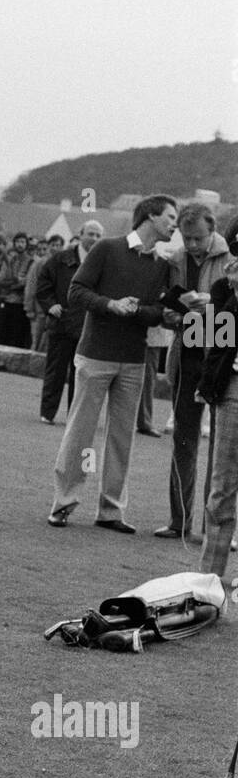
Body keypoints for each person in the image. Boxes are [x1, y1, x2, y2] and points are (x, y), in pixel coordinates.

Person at [47, 195, 176, 532]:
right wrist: (110, 305)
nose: (174, 224)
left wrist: (136, 310)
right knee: (80, 431)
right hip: (95, 355)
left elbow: (158, 313)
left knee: (122, 438)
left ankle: (111, 511)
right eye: (170, 217)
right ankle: (63, 503)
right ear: (150, 216)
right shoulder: (107, 248)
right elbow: (77, 291)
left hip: (134, 361)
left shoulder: (161, 265)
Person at [154, 203, 232, 542]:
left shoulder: (232, 258)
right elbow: (164, 312)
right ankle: (180, 521)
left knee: (221, 447)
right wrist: (179, 312)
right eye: (187, 239)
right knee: (183, 440)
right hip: (187, 352)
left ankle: (213, 528)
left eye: (199, 238)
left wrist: (210, 307)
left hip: (220, 354)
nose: (193, 245)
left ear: (212, 230)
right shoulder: (174, 261)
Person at [36, 220, 103, 423]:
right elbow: (43, 285)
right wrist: (50, 305)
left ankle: (74, 416)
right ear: (80, 234)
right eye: (91, 234)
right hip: (61, 322)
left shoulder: (101, 262)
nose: (94, 239)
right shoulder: (60, 259)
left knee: (80, 376)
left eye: (98, 236)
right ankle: (47, 413)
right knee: (55, 371)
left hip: (87, 328)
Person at [197, 255, 238, 579]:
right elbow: (216, 341)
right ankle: (209, 577)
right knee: (223, 483)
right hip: (233, 390)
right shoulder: (226, 290)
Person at [0, 231, 32, 347]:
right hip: (6, 300)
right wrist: (15, 282)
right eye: (17, 242)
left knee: (16, 335)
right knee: (3, 333)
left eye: (22, 242)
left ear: (26, 244)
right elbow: (1, 281)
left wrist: (13, 283)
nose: (20, 245)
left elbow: (26, 282)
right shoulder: (11, 259)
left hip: (20, 303)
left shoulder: (30, 261)